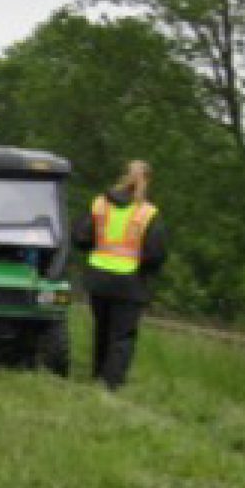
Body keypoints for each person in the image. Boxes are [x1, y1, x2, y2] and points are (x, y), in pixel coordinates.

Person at [73, 160, 169, 390]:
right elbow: (155, 253)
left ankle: (97, 376)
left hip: (98, 278)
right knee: (122, 336)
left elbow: (80, 237)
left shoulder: (100, 204)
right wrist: (147, 272)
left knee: (102, 329)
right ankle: (111, 384)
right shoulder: (147, 213)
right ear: (148, 181)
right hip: (129, 281)